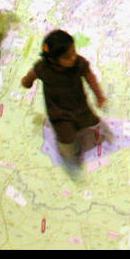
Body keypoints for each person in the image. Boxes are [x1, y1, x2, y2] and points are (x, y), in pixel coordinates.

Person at [21, 30, 107, 164]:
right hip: (59, 112)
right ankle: (67, 153)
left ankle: (81, 131)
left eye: (74, 52)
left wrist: (99, 96)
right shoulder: (43, 68)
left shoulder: (78, 63)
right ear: (52, 60)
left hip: (80, 106)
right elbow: (31, 75)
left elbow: (91, 78)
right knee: (67, 137)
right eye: (67, 57)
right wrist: (27, 81)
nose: (73, 57)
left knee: (90, 121)